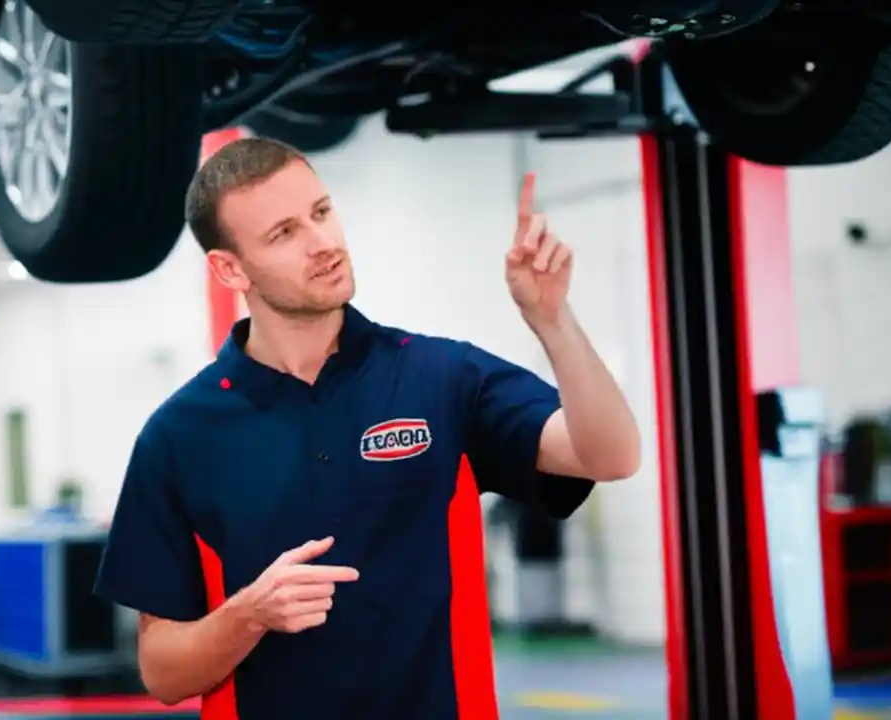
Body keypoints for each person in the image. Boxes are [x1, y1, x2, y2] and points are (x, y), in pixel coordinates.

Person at [93, 136, 642, 719]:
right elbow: (162, 672)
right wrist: (247, 615)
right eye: (285, 233)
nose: (323, 243)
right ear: (230, 269)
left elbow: (609, 457)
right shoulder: (180, 436)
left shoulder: (441, 377)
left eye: (322, 213)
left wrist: (554, 323)